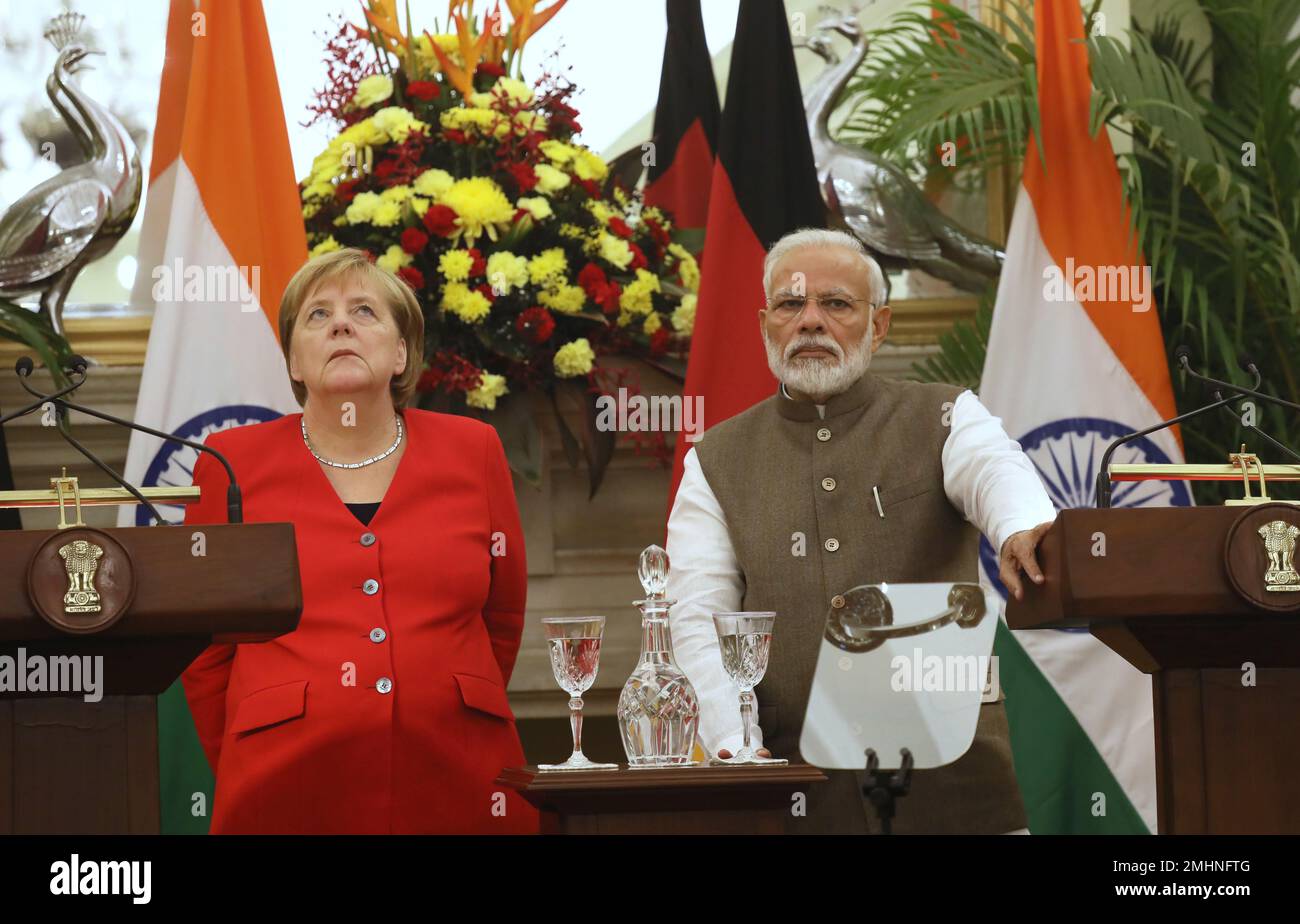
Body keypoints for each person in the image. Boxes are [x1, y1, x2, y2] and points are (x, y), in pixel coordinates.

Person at [667, 227, 1056, 834]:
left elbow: (995, 469)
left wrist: (1020, 527)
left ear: (878, 326)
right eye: (792, 305)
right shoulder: (715, 458)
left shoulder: (944, 414)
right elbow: (696, 615)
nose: (811, 322)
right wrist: (732, 745)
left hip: (954, 787)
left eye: (837, 304)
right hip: (796, 790)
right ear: (765, 323)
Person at [181, 248, 537, 834]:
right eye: (317, 316)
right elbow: (204, 647)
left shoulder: (474, 449)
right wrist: (251, 752)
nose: (341, 324)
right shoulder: (231, 464)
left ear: (402, 353)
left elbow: (503, 614)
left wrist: (443, 702)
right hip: (283, 783)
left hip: (462, 776)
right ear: (294, 360)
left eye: (364, 311)